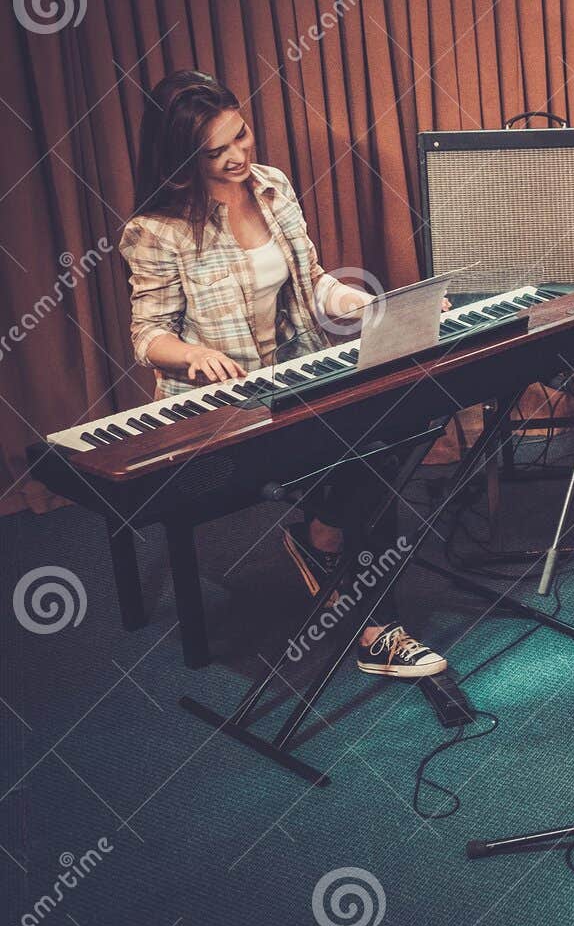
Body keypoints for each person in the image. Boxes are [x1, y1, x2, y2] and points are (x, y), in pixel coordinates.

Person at [122, 70, 448, 678]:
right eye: (215, 152)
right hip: (223, 408)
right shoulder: (156, 231)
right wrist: (191, 355)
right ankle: (379, 630)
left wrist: (354, 302)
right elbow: (148, 335)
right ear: (183, 158)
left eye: (241, 137)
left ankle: (321, 538)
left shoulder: (272, 186)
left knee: (392, 426)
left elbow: (312, 281)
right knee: (361, 461)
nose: (238, 157)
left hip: (295, 378)